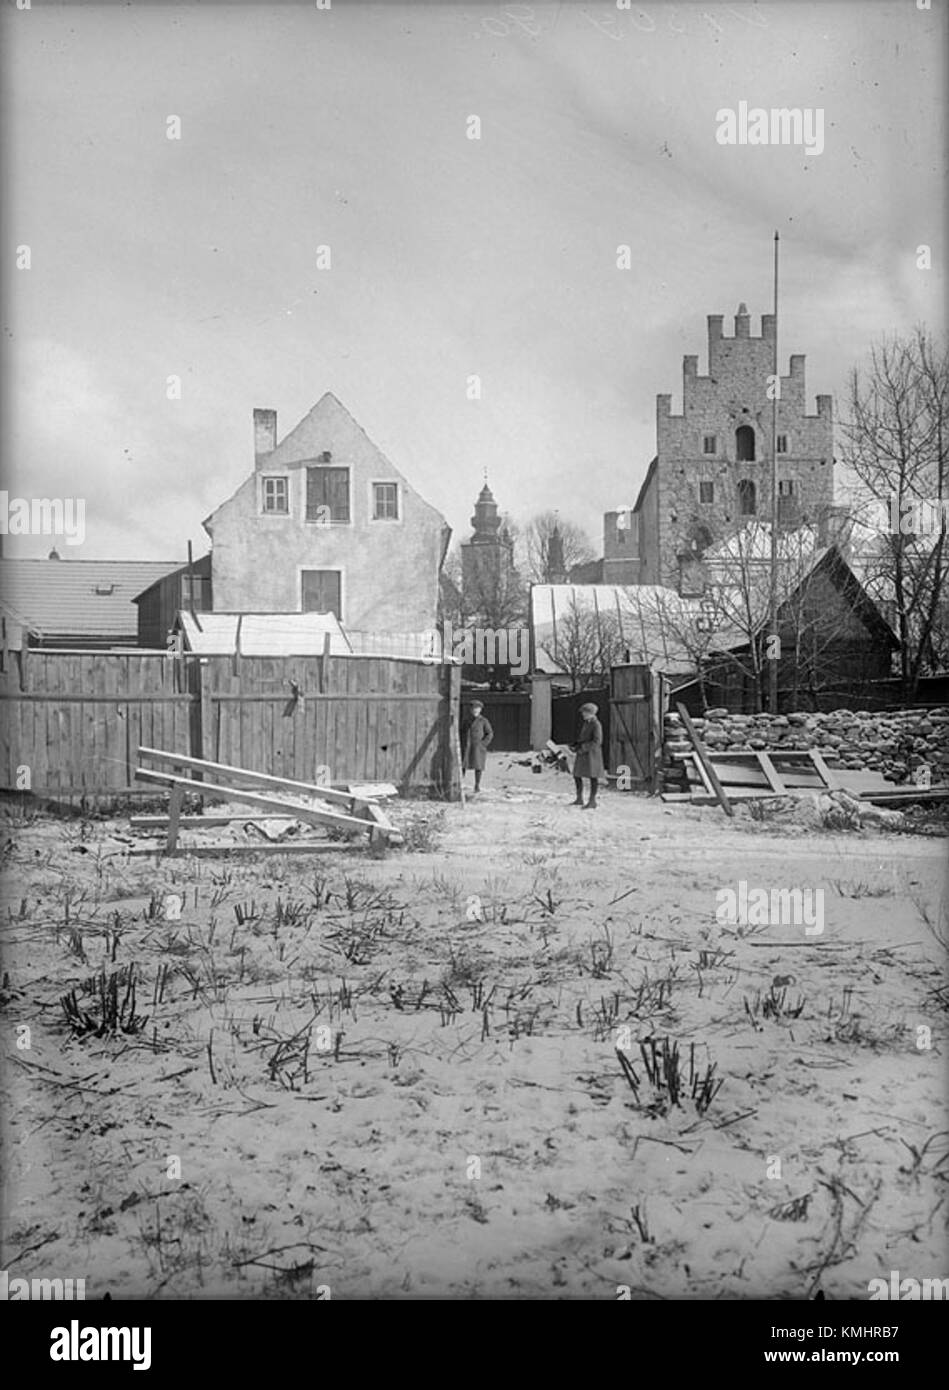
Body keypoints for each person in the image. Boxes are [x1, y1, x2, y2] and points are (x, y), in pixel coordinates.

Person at [571, 701, 604, 809]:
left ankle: (592, 801)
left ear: (591, 713)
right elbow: (584, 737)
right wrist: (576, 744)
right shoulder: (587, 723)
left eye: (585, 712)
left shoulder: (596, 724)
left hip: (592, 755)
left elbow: (597, 741)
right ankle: (579, 798)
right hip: (584, 754)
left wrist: (583, 748)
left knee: (593, 777)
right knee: (577, 774)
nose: (583, 714)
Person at [463, 700, 494, 794]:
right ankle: (461, 783)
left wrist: (483, 744)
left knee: (478, 766)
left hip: (478, 747)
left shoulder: (483, 721)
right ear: (470, 710)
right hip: (468, 746)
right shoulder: (466, 720)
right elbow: (461, 731)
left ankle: (477, 785)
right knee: (463, 764)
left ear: (480, 710)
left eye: (477, 709)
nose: (475, 710)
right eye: (473, 709)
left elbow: (490, 733)